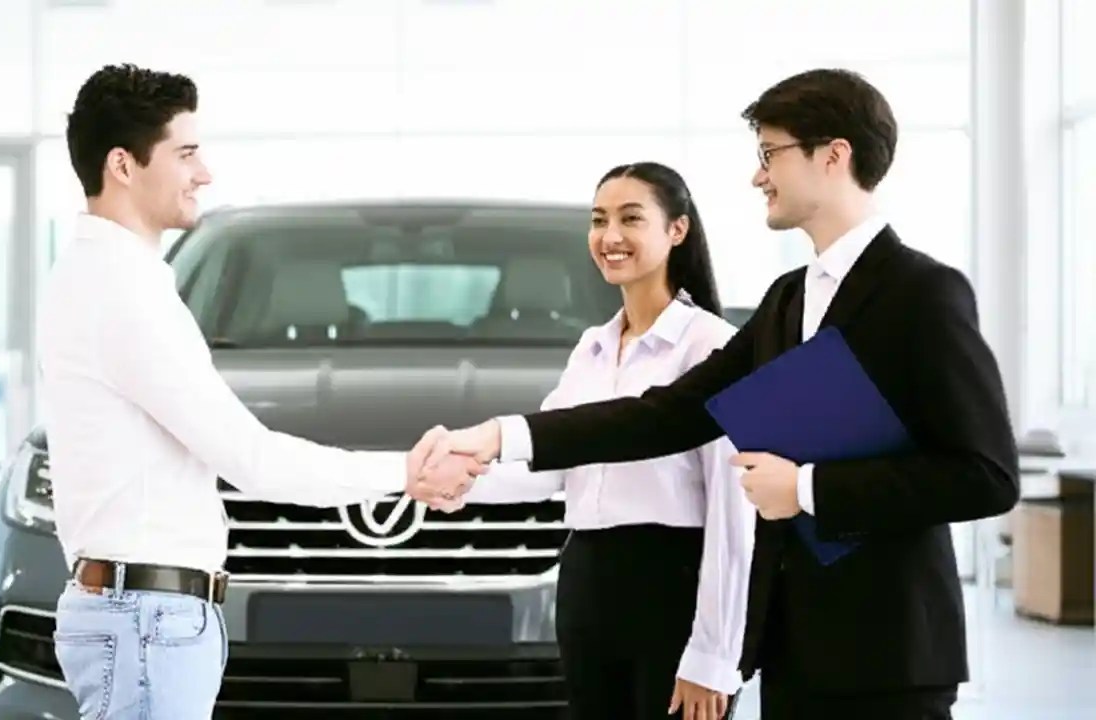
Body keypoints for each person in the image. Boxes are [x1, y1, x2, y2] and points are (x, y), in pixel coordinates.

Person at [416, 68, 1020, 720]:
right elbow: (668, 414)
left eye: (770, 154)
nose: (759, 176)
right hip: (795, 650)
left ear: (833, 155)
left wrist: (806, 489)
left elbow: (985, 476)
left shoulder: (922, 293)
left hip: (890, 650)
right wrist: (499, 437)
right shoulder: (788, 300)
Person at [38, 64, 479, 719]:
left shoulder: (98, 276)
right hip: (146, 621)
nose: (204, 173)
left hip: (138, 616)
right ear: (123, 165)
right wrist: (404, 474)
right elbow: (251, 458)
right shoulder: (123, 293)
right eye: (186, 153)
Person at [454, 162, 752, 720]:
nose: (609, 236)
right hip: (588, 584)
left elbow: (734, 517)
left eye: (630, 218)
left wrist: (714, 656)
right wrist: (457, 482)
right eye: (598, 220)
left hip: (671, 586)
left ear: (677, 230)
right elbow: (549, 466)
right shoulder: (592, 347)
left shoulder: (712, 346)